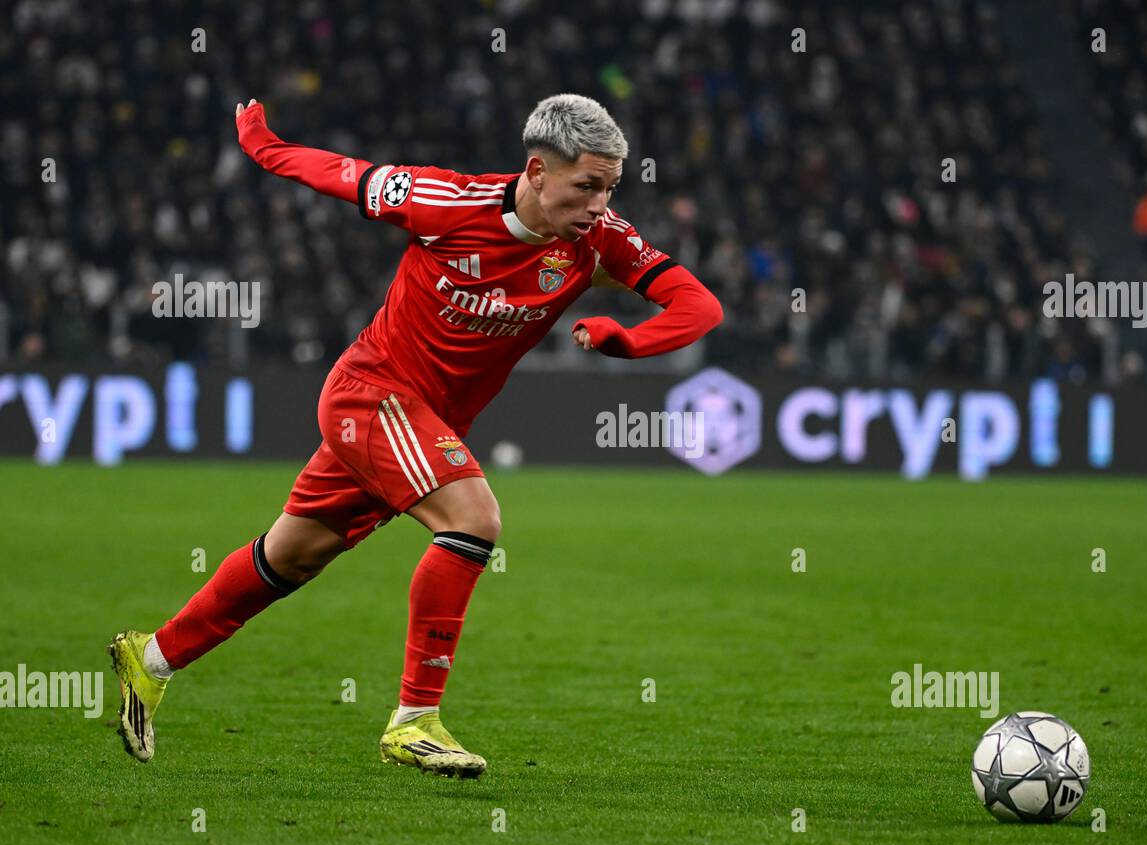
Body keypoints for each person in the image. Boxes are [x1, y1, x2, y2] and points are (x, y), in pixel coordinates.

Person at [108, 93, 724, 778]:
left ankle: (151, 657)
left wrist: (630, 342)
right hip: (372, 396)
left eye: (609, 188)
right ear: (538, 171)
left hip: (422, 423)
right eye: (587, 187)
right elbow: (345, 174)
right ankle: (414, 720)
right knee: (474, 518)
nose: (600, 205)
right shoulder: (445, 202)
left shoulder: (596, 240)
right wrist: (264, 147)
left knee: (290, 558)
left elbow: (699, 304)